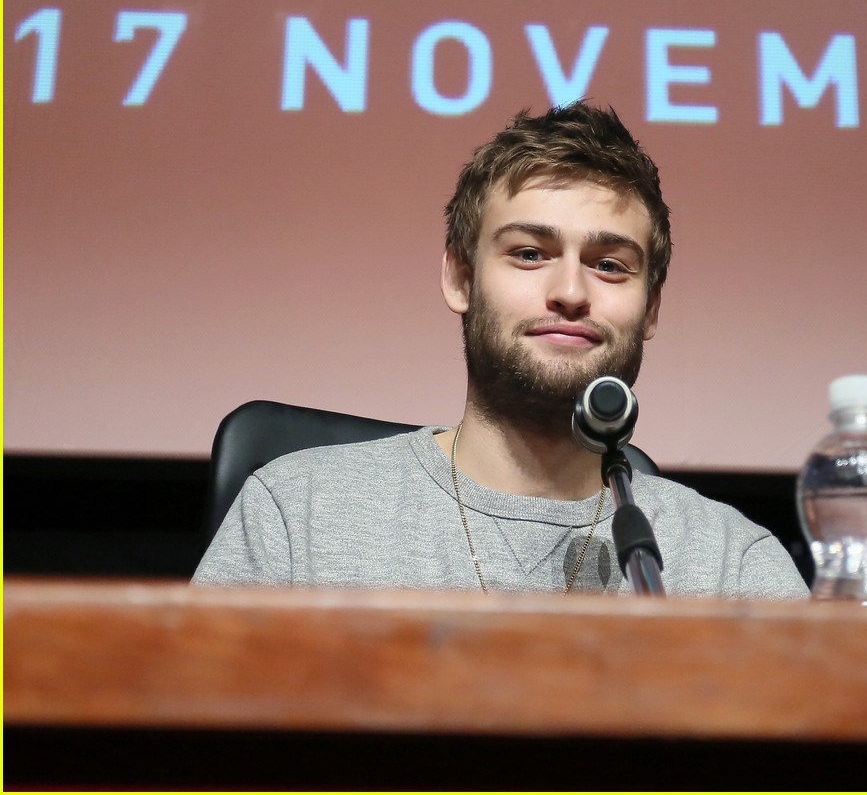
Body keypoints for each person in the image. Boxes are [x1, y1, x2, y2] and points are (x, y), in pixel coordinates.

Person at [193, 102, 808, 599]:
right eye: (530, 253)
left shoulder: (732, 565)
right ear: (461, 280)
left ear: (650, 311)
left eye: (610, 265)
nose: (570, 292)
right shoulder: (299, 514)